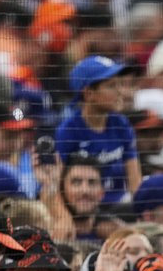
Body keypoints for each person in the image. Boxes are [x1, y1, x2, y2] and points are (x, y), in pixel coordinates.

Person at [55, 56, 140, 205]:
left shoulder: (121, 124)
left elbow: (135, 181)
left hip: (118, 206)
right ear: (89, 94)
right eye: (111, 86)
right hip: (82, 208)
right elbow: (57, 184)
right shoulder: (68, 131)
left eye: (120, 84)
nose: (120, 92)